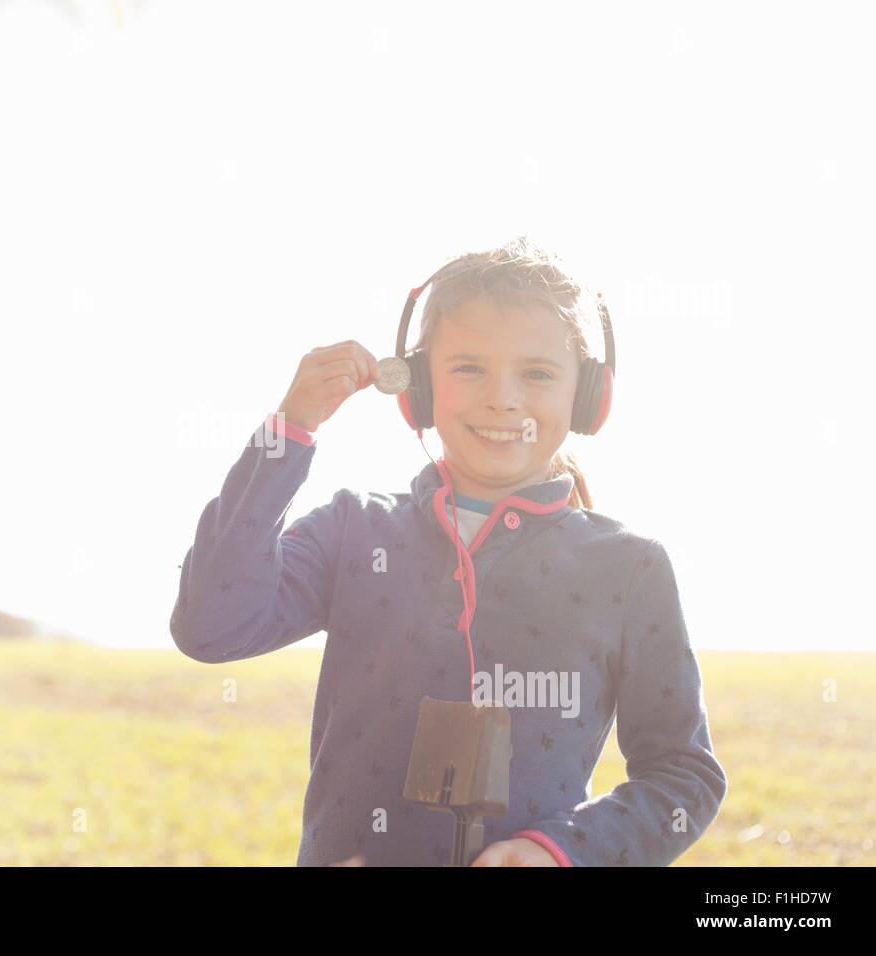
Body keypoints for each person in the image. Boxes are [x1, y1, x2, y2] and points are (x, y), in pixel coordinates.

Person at [169, 236, 727, 866]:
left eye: (538, 373)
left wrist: (560, 852)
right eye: (468, 368)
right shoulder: (354, 530)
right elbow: (210, 626)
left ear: (587, 396)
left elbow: (685, 775)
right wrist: (288, 434)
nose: (503, 397)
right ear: (418, 388)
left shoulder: (630, 568)